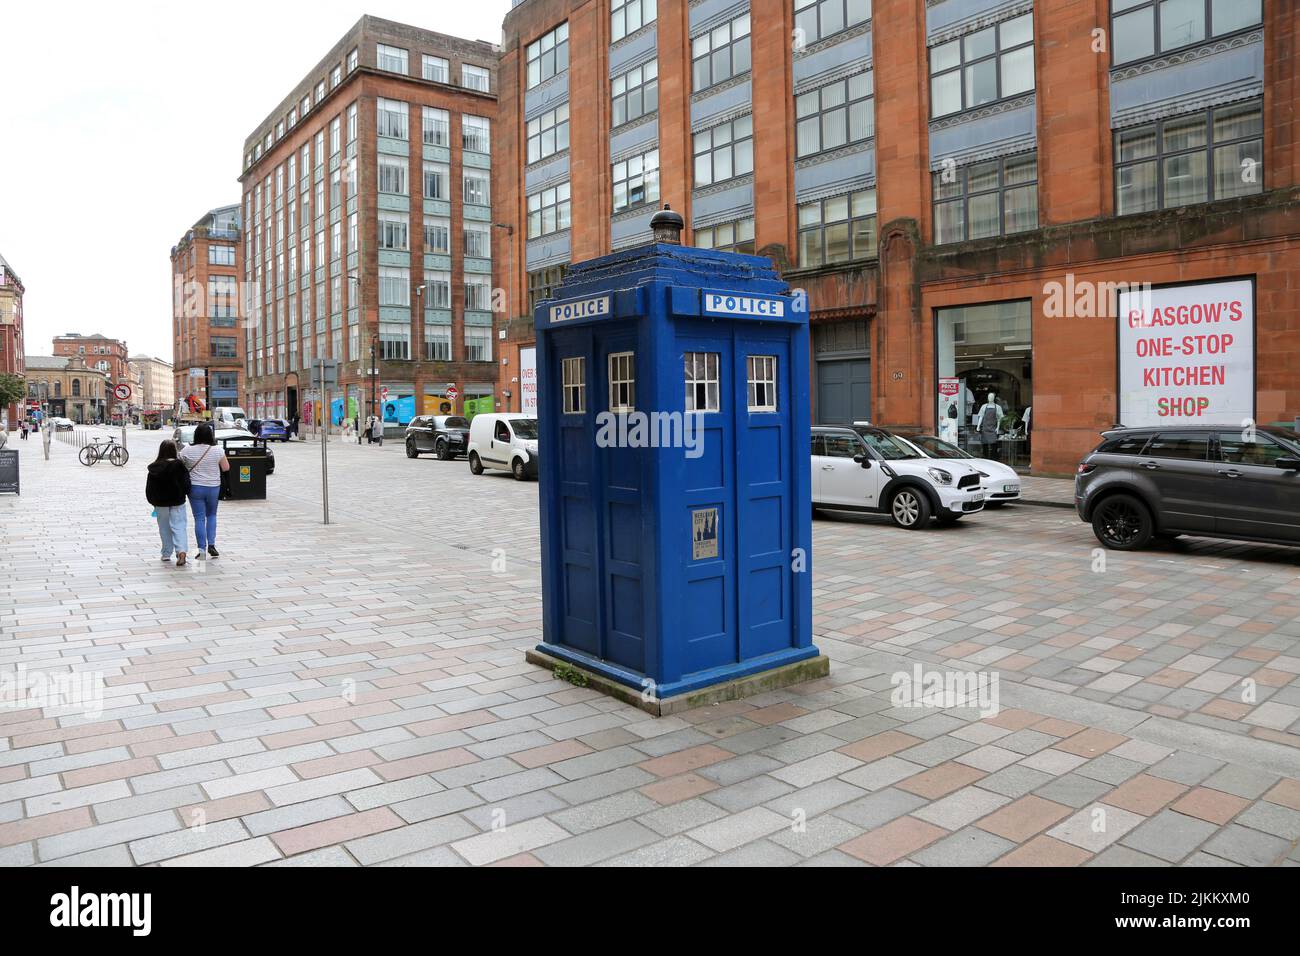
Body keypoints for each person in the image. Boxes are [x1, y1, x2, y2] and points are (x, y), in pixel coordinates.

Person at [179, 423, 230, 560]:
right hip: (213, 487)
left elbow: (180, 467)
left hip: (195, 488)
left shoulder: (186, 450)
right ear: (210, 435)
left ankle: (201, 550)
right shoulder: (217, 450)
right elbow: (226, 468)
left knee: (199, 518)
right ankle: (212, 545)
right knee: (212, 515)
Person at [146, 440, 191, 566]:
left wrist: (153, 501)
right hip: (177, 501)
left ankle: (166, 554)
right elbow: (187, 485)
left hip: (160, 503)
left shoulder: (155, 468)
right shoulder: (180, 466)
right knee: (179, 526)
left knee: (164, 528)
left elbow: (149, 489)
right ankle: (181, 551)